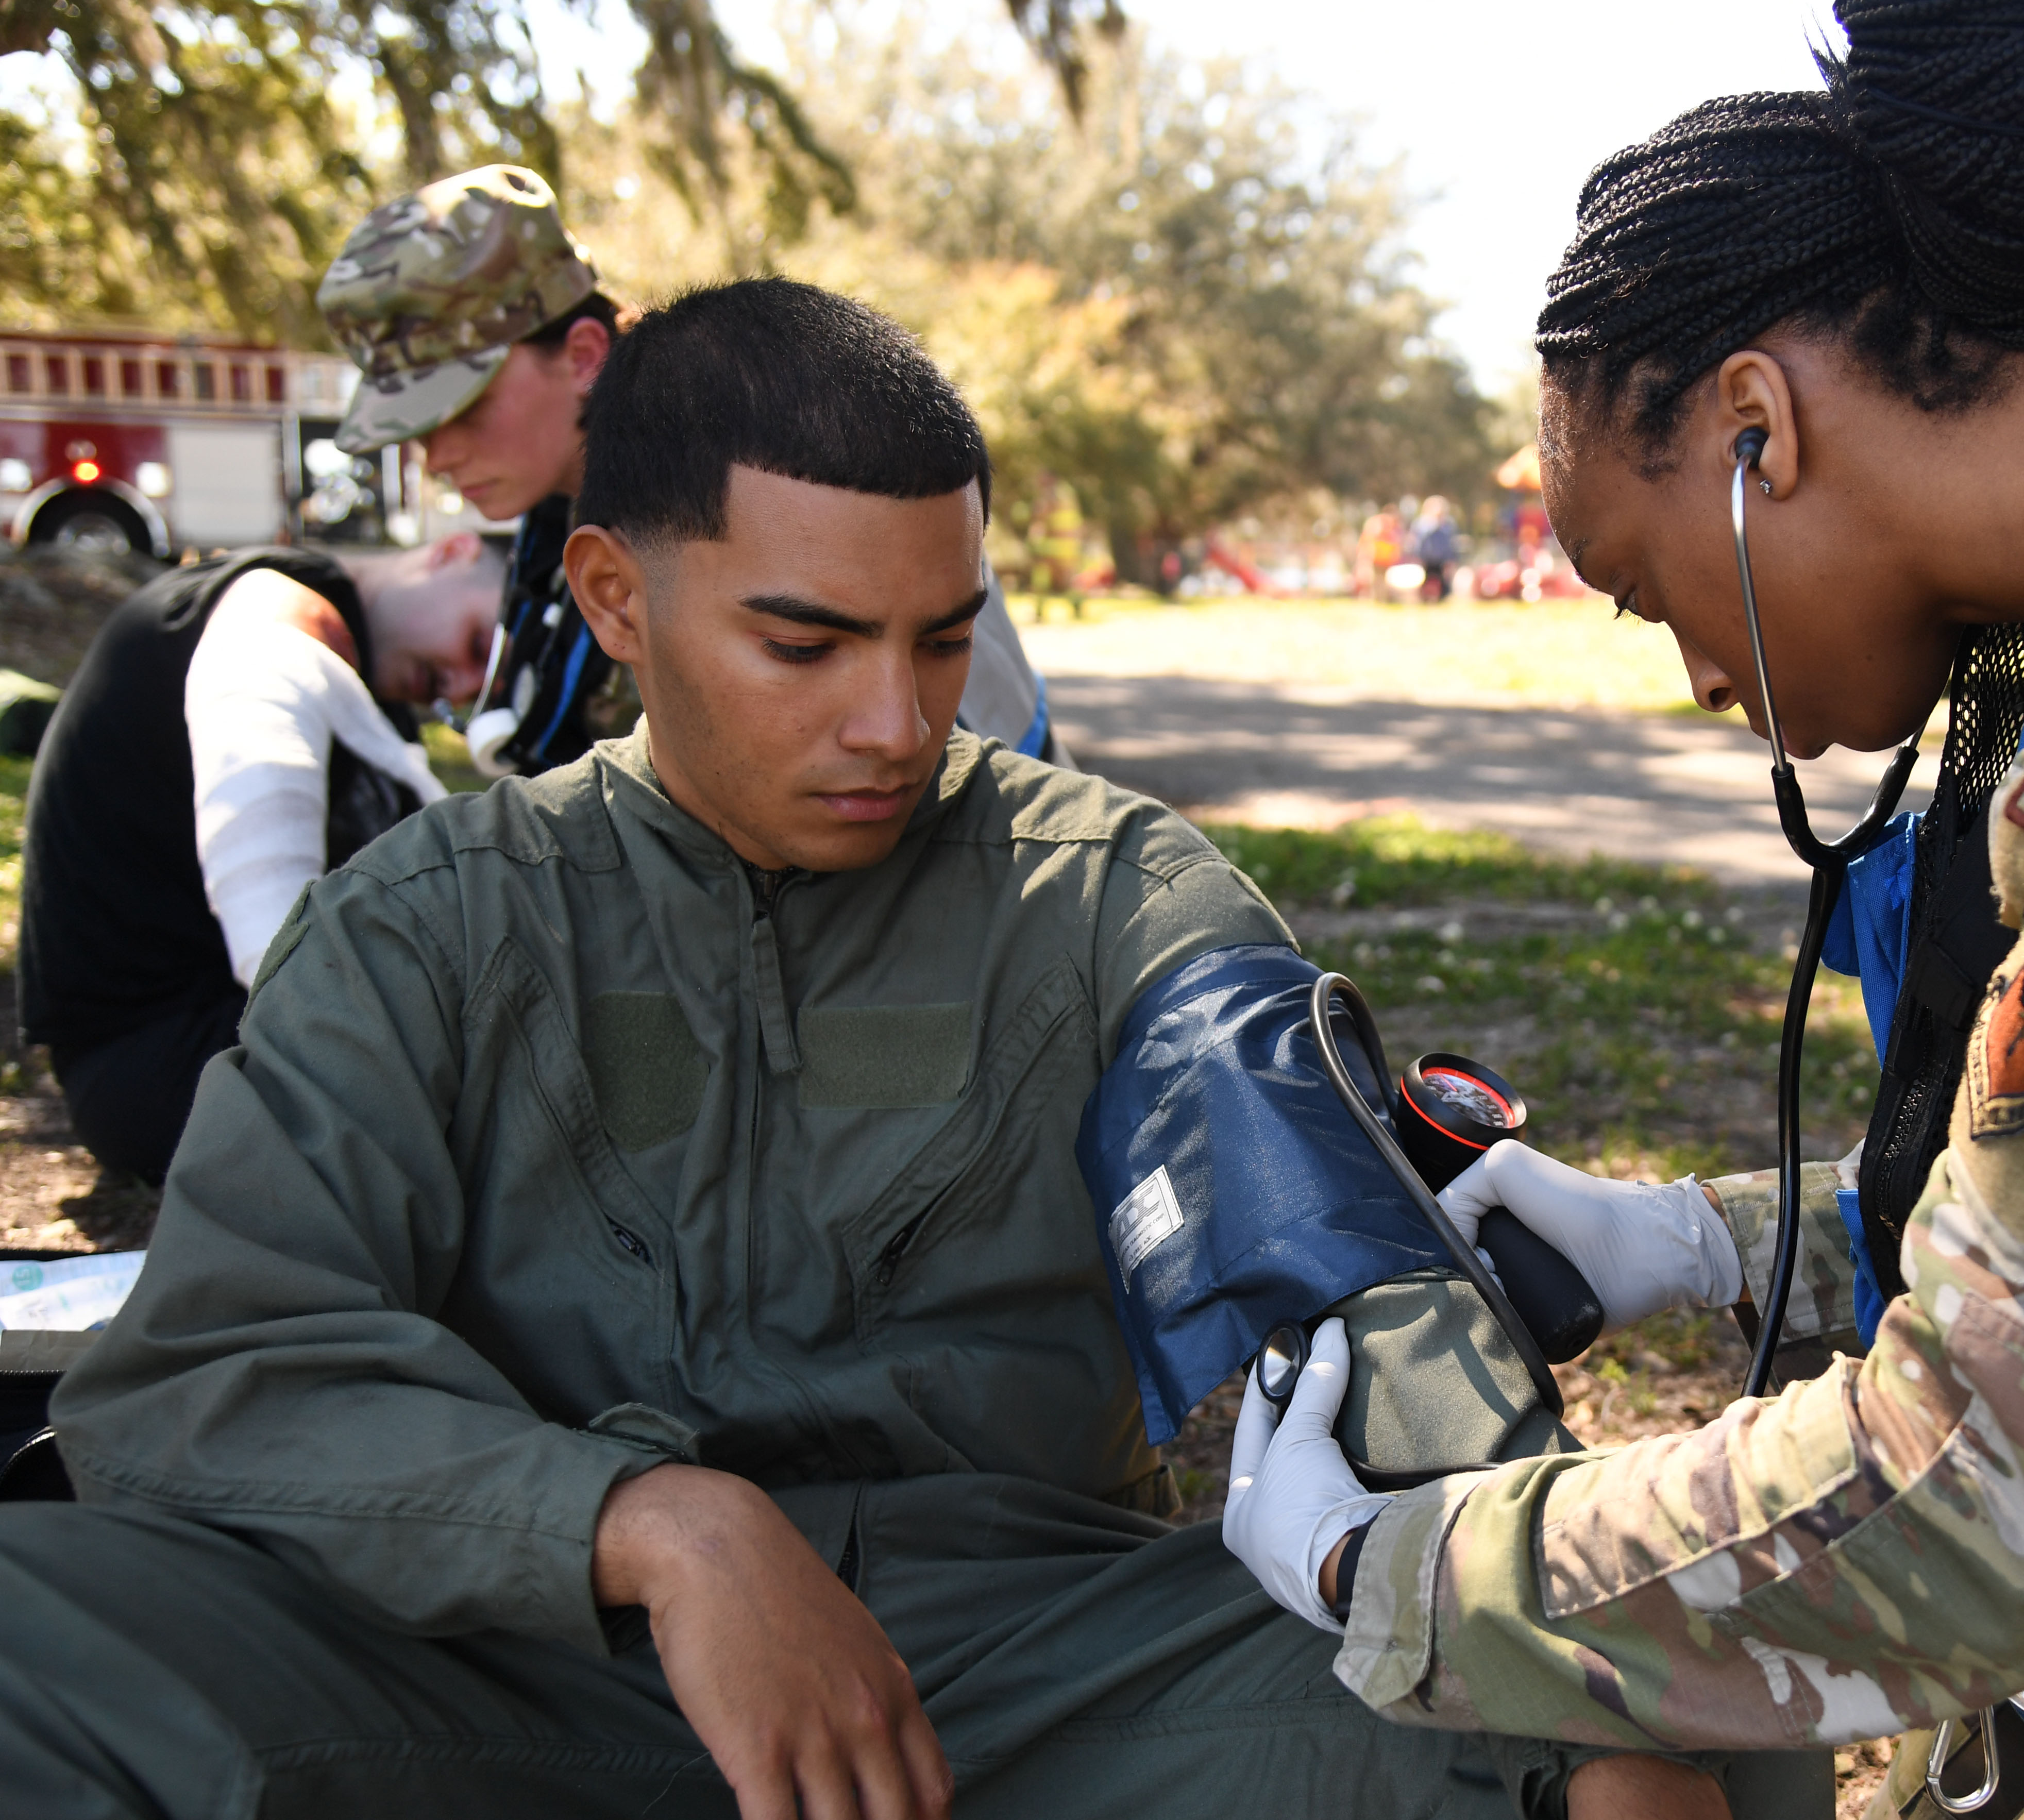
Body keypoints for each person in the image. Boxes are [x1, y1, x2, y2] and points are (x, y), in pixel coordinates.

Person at [0, 278, 1724, 1820]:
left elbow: (1358, 1279)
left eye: (943, 636)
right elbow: (215, 1373)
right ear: (612, 596)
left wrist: (1533, 1606)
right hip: (506, 1666)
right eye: (805, 643)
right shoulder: (429, 928)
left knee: (1644, 1694)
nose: (896, 724)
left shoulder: (1110, 896)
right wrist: (653, 1527)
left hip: (1029, 1685)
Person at [1222, 5, 2024, 1820]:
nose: (1695, 671)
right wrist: (1694, 1245)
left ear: (1759, 429)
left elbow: (1992, 1493)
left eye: (1643, 587)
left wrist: (1400, 1572)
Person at [318, 163, 1068, 780]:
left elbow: (968, 786)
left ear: (581, 356)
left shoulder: (785, 475)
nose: (437, 456)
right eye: (416, 429)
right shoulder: (565, 523)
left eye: (465, 410)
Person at [16, 534, 501, 1183]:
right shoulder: (278, 605)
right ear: (452, 551)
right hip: (173, 1064)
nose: (464, 687)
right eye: (477, 644)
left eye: (482, 690)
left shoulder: (346, 670)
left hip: (203, 1050)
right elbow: (280, 941)